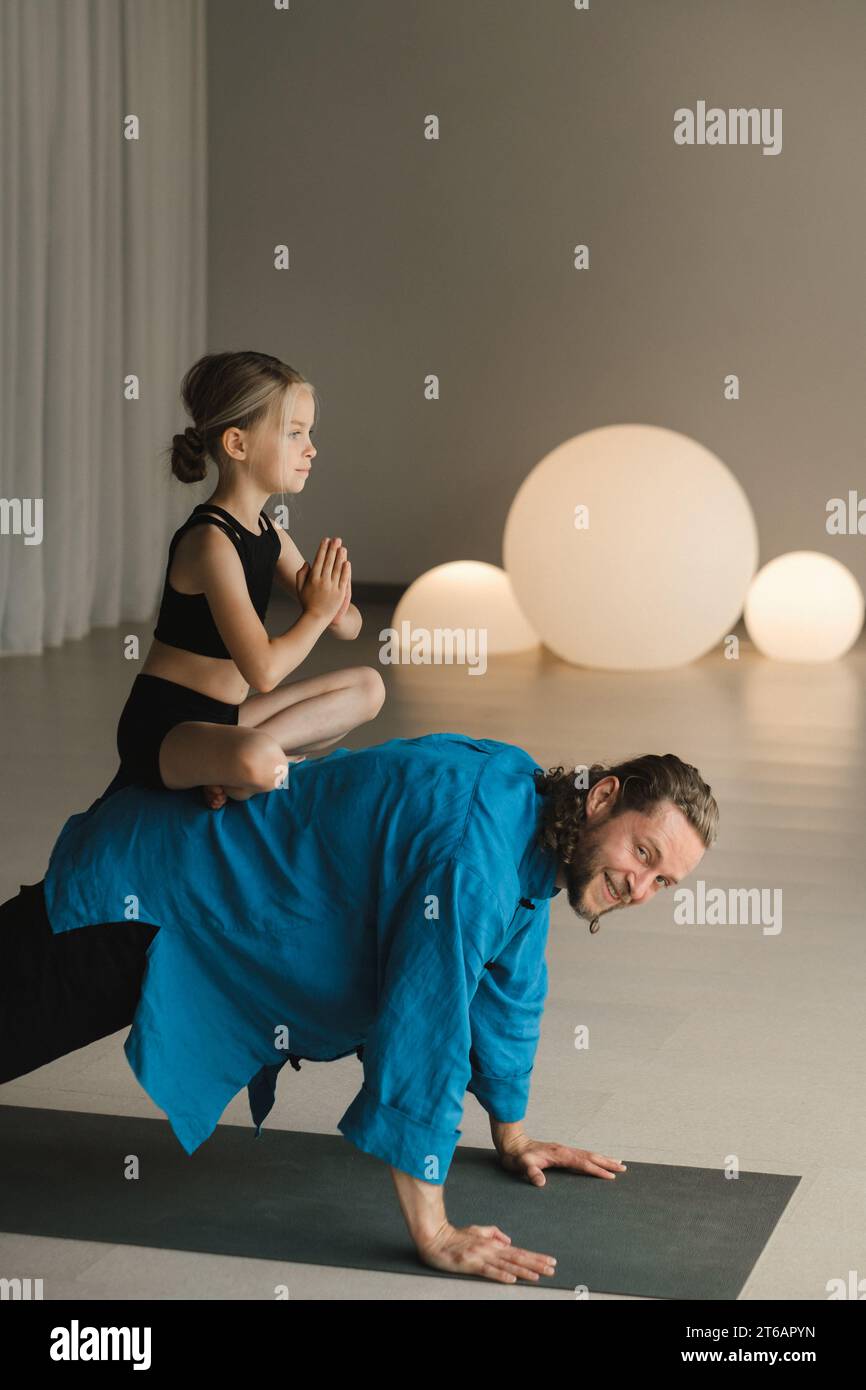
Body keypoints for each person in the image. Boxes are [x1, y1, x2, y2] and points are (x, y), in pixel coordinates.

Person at [8, 732, 718, 1286]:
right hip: (149, 894)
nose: (641, 887)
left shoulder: (528, 810)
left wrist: (513, 1135)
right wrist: (434, 1231)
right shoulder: (473, 858)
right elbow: (426, 1028)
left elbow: (510, 983)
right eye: (644, 852)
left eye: (665, 881)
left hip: (201, 896)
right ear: (603, 800)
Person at [111, 349, 386, 809]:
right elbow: (263, 671)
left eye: (309, 433)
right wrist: (316, 612)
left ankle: (235, 767)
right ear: (237, 444)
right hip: (168, 729)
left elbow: (350, 626)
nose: (311, 448)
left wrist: (334, 604)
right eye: (294, 433)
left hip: (228, 716)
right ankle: (245, 767)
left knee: (368, 687)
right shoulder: (210, 541)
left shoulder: (268, 531)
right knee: (261, 758)